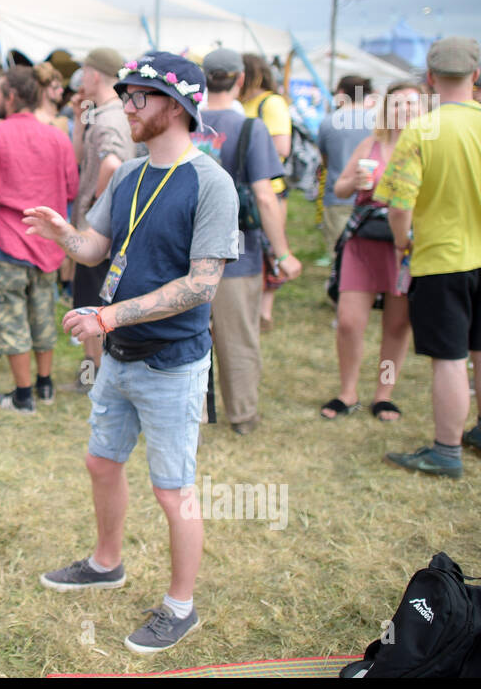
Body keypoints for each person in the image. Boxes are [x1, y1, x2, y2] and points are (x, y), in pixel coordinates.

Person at [26, 51, 237, 654]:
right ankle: (106, 562)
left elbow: (201, 284)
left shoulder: (210, 182)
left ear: (175, 106)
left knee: (173, 490)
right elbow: (95, 248)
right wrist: (61, 233)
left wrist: (108, 315)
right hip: (119, 355)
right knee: (101, 462)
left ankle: (180, 606)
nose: (126, 106)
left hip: (172, 361)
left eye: (137, 96)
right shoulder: (130, 174)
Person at [376, 38, 481, 478]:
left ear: (429, 77)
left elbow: (400, 205)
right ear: (478, 73)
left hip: (442, 258)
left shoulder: (421, 130)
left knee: (448, 357)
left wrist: (403, 243)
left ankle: (446, 452)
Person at [0, 65, 78, 412]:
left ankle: (23, 397)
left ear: (9, 96)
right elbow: (72, 187)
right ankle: (45, 386)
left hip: (4, 238)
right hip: (48, 242)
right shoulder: (58, 137)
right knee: (43, 311)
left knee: (9, 316)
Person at [197, 48, 300, 435]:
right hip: (237, 253)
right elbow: (264, 195)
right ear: (240, 79)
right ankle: (241, 416)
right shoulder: (251, 128)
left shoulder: (182, 121)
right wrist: (284, 253)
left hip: (184, 251)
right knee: (238, 337)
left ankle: (197, 413)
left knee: (189, 338)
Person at [322, 82, 423, 422]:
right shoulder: (372, 144)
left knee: (397, 326)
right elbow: (338, 187)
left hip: (405, 247)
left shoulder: (429, 148)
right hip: (363, 242)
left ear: (424, 110)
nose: (404, 111)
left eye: (411, 105)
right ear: (386, 110)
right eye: (397, 105)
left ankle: (384, 395)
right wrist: (355, 183)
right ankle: (347, 392)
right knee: (349, 322)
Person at [71, 48, 138, 391]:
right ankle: (97, 373)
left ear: (95, 74)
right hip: (113, 229)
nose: (82, 78)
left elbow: (110, 164)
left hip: (98, 229)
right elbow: (80, 156)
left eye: (84, 71)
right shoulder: (116, 113)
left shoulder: (109, 118)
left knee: (89, 304)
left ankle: (94, 377)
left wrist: (99, 207)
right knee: (102, 300)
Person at [240, 52, 293, 331]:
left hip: (268, 190)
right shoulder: (241, 103)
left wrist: (247, 155)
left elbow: (282, 147)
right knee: (244, 250)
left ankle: (265, 313)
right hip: (242, 191)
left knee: (269, 248)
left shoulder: (271, 103)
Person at [317, 75, 376, 261]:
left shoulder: (329, 121)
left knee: (339, 254)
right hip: (372, 196)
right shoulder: (378, 121)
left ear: (341, 93)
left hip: (337, 196)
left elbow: (325, 160)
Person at [32, 61, 70, 136]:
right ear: (42, 89)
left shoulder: (64, 120)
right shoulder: (34, 119)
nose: (61, 90)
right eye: (55, 87)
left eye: (60, 86)